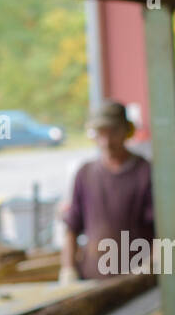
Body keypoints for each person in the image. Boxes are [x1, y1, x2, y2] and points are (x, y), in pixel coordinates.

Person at [60, 99, 155, 282]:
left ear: (127, 132)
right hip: (91, 277)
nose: (106, 141)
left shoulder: (145, 172)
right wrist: (68, 269)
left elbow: (161, 230)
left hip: (135, 278)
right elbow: (71, 227)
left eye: (113, 133)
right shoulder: (85, 174)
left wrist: (150, 267)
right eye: (100, 134)